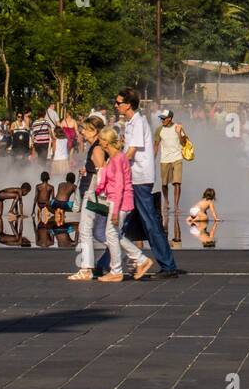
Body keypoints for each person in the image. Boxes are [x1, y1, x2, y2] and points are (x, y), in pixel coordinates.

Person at [116, 88, 182, 279]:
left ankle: (168, 266)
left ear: (128, 104)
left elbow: (131, 152)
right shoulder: (130, 123)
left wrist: (114, 167)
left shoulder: (138, 122)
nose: (116, 105)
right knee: (122, 222)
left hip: (140, 179)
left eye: (118, 102)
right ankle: (112, 263)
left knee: (149, 222)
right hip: (134, 177)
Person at [93, 127, 155, 282]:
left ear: (106, 142)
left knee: (111, 234)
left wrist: (115, 212)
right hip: (114, 200)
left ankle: (118, 270)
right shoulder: (113, 158)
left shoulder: (119, 158)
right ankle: (139, 260)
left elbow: (120, 185)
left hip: (119, 201)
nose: (99, 142)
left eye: (100, 139)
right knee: (114, 234)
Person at [70, 116, 108, 282]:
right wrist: (87, 171)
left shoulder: (97, 148)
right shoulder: (96, 146)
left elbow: (103, 171)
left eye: (85, 129)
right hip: (93, 192)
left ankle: (86, 269)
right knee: (99, 232)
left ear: (95, 131)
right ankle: (127, 252)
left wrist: (98, 192)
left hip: (93, 193)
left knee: (86, 230)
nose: (82, 132)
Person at [155, 108, 188, 213]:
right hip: (164, 159)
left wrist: (179, 133)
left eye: (164, 118)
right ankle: (166, 201)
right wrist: (153, 158)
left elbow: (184, 142)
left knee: (177, 182)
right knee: (164, 184)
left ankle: (176, 206)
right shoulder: (159, 129)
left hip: (177, 158)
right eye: (161, 118)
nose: (162, 120)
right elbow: (156, 145)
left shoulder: (178, 127)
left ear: (170, 118)